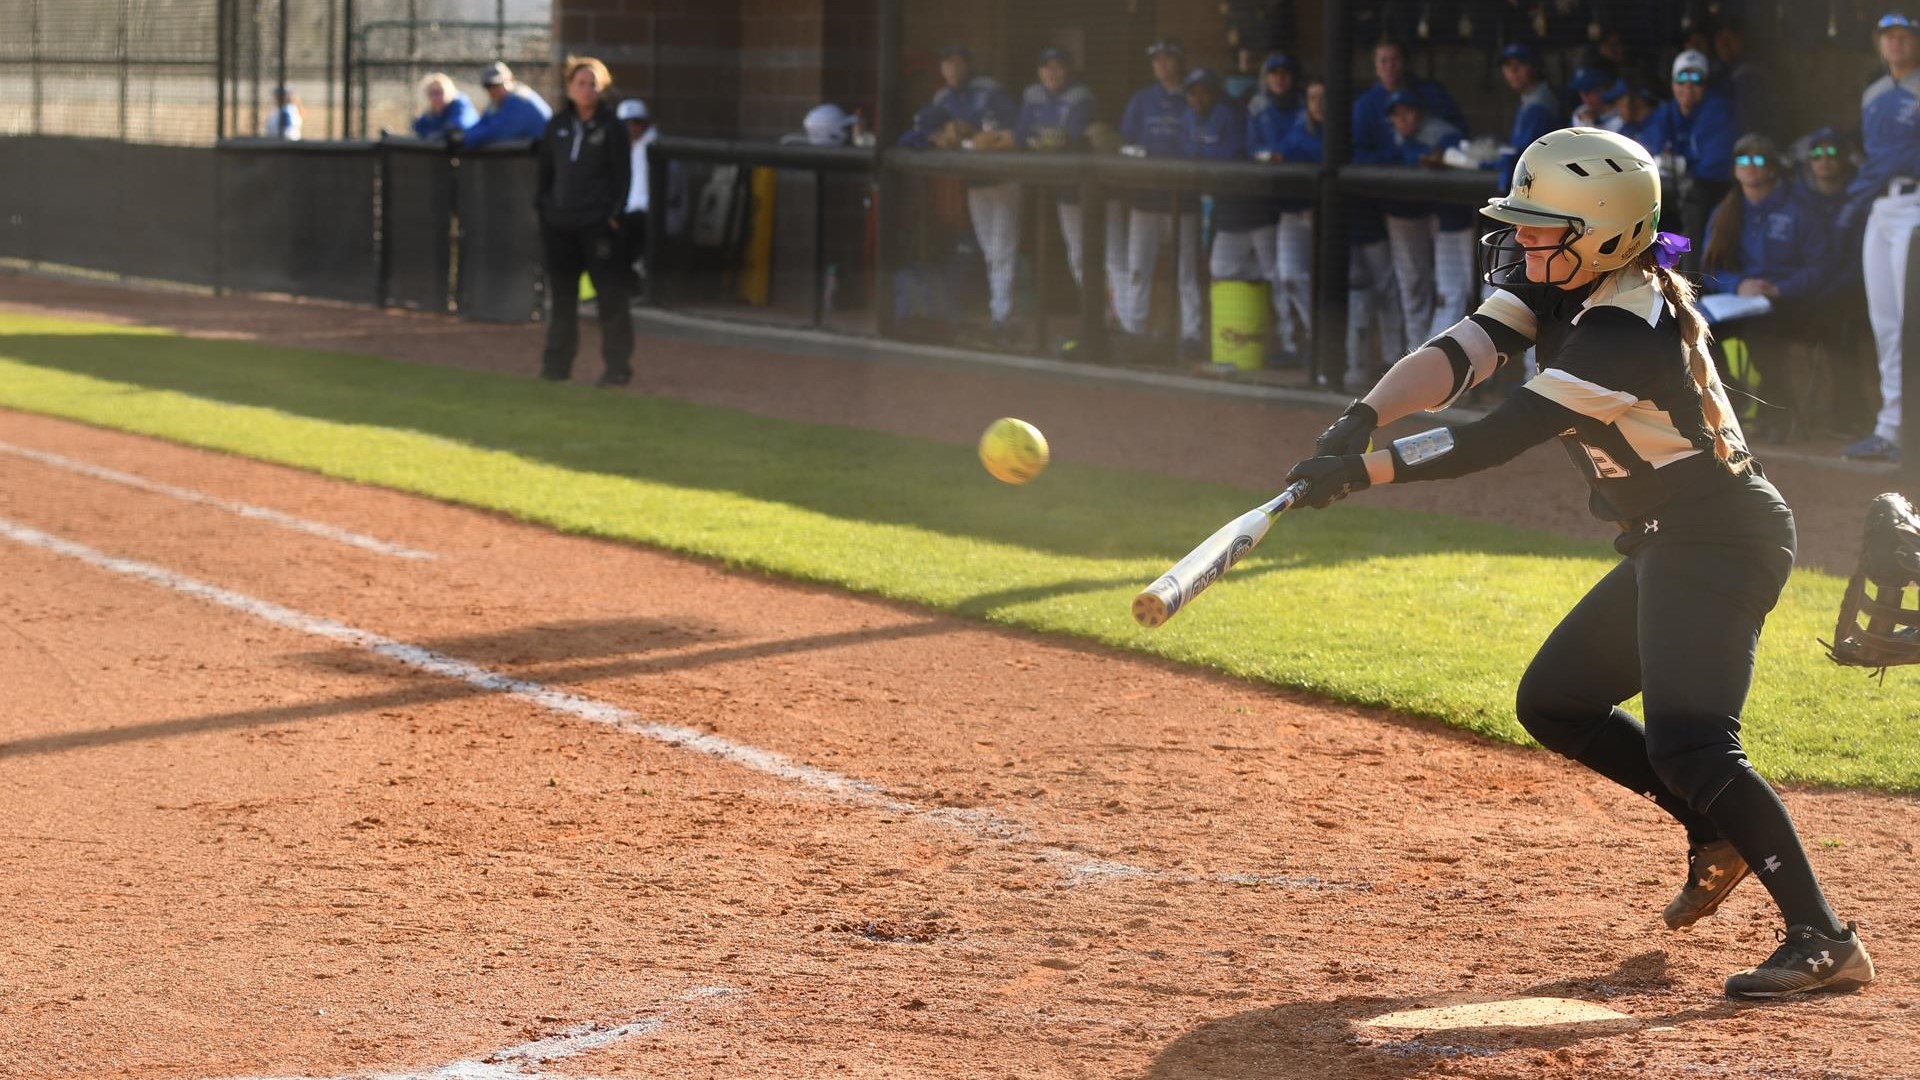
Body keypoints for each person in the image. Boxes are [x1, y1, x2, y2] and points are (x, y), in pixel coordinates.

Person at [1282, 127, 1874, 1000]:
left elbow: (1496, 436)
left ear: (1600, 233)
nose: (1521, 243)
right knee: (1555, 702)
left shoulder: (1623, 331)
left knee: (1694, 741)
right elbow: (1462, 354)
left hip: (1721, 538)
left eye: (1538, 227)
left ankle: (1824, 938)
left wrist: (1362, 474)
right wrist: (1360, 419)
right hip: (1673, 538)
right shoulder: (1565, 283)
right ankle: (1712, 833)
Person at [1700, 134, 1832, 439]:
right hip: (1739, 301)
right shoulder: (1726, 211)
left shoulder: (1800, 208)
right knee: (1692, 329)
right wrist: (1738, 285)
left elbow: (1821, 268)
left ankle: (1779, 418)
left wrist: (1779, 289)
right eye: (1742, 160)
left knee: (1763, 336)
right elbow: (1710, 268)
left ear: (1772, 169)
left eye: (1758, 160)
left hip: (1788, 302)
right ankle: (1732, 402)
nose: (1750, 167)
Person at [1841, 12, 1920, 463]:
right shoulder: (1873, 92)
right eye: (1888, 35)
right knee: (1886, 323)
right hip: (1881, 207)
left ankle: (1911, 428)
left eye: (1904, 35)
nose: (1896, 42)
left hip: (1915, 206)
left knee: (1912, 322)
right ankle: (1890, 427)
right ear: (1878, 41)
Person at [535, 56, 633, 387]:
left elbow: (622, 177)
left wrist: (613, 217)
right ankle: (556, 367)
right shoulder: (557, 125)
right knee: (562, 299)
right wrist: (546, 212)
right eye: (581, 83)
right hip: (560, 225)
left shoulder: (612, 127)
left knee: (610, 296)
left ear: (602, 88)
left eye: (593, 84)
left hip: (597, 226)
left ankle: (617, 368)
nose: (587, 90)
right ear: (569, 87)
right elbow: (545, 174)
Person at [919, 44, 1020, 340]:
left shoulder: (989, 90)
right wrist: (941, 136)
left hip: (1004, 179)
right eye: (947, 63)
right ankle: (1000, 313)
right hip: (976, 183)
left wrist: (983, 135)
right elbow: (927, 131)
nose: (952, 69)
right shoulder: (942, 97)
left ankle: (1004, 316)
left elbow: (1015, 129)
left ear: (968, 64)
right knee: (990, 249)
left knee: (1003, 249)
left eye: (958, 62)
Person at [1118, 38, 1203, 357]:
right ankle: (1132, 330)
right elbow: (1126, 141)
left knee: (1187, 273)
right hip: (1146, 200)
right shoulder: (1142, 100)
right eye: (1157, 59)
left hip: (1184, 202)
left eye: (1169, 58)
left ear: (1179, 62)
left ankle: (1191, 335)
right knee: (1138, 268)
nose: (1163, 65)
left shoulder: (1194, 96)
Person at [1015, 47, 1107, 303]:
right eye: (1046, 67)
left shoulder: (1081, 97)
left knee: (1104, 255)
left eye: (1058, 67)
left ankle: (1116, 317)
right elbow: (1021, 135)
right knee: (1077, 253)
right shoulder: (1033, 95)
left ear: (1068, 70)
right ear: (1039, 71)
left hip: (1092, 189)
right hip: (1063, 189)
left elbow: (1073, 137)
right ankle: (1096, 312)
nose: (1051, 72)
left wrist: (1041, 139)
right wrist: (1048, 139)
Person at [1381, 91, 1470, 344]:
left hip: (1457, 220)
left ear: (1419, 113)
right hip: (1424, 219)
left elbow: (1461, 146)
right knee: (1428, 289)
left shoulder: (1442, 133)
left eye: (1407, 112)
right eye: (1397, 115)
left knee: (1473, 293)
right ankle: (1417, 353)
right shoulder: (1395, 141)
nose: (1403, 119)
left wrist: (1436, 154)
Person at [1247, 53, 1308, 361]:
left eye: (1285, 73)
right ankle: (1291, 342)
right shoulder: (1258, 107)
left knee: (1303, 275)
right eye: (1274, 73)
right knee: (1284, 276)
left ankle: (1312, 337)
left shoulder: (1304, 106)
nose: (1279, 79)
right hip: (1275, 205)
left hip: (1311, 203)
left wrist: (1281, 154)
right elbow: (1252, 149)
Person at [1644, 50, 1736, 239]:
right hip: (1674, 184)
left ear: (1706, 85)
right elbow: (1650, 145)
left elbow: (1715, 166)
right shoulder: (1667, 111)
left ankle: (1692, 267)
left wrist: (1681, 164)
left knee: (1695, 198)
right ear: (1672, 83)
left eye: (1696, 81)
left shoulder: (1718, 110)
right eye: (1681, 79)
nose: (1688, 87)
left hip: (1712, 189)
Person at [1488, 42, 1561, 192]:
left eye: (1519, 64)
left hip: (1541, 186)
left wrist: (1482, 163)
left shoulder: (1540, 103)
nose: (1513, 71)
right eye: (1508, 66)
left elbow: (1525, 156)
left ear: (1534, 67)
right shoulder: (1530, 97)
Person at [464, 61, 552, 148]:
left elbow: (496, 132)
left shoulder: (519, 100)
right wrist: (463, 135)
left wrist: (465, 138)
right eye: (488, 86)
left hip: (540, 155)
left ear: (511, 80)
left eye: (497, 84)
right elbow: (483, 123)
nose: (493, 90)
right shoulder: (499, 102)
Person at [616, 98, 655, 290]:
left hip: (647, 213)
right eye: (626, 122)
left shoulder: (653, 145)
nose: (631, 127)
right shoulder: (618, 146)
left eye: (636, 122)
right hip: (625, 211)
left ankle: (634, 288)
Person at [412, 73, 478, 140]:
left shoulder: (460, 105)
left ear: (449, 92)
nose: (435, 97)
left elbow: (457, 128)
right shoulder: (432, 114)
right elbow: (419, 127)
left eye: (439, 92)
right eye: (432, 93)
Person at [1569, 67, 1625, 132]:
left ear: (1603, 89)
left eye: (1588, 92)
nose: (1584, 97)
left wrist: (1588, 126)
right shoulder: (1580, 113)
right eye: (1581, 92)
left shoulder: (1624, 115)